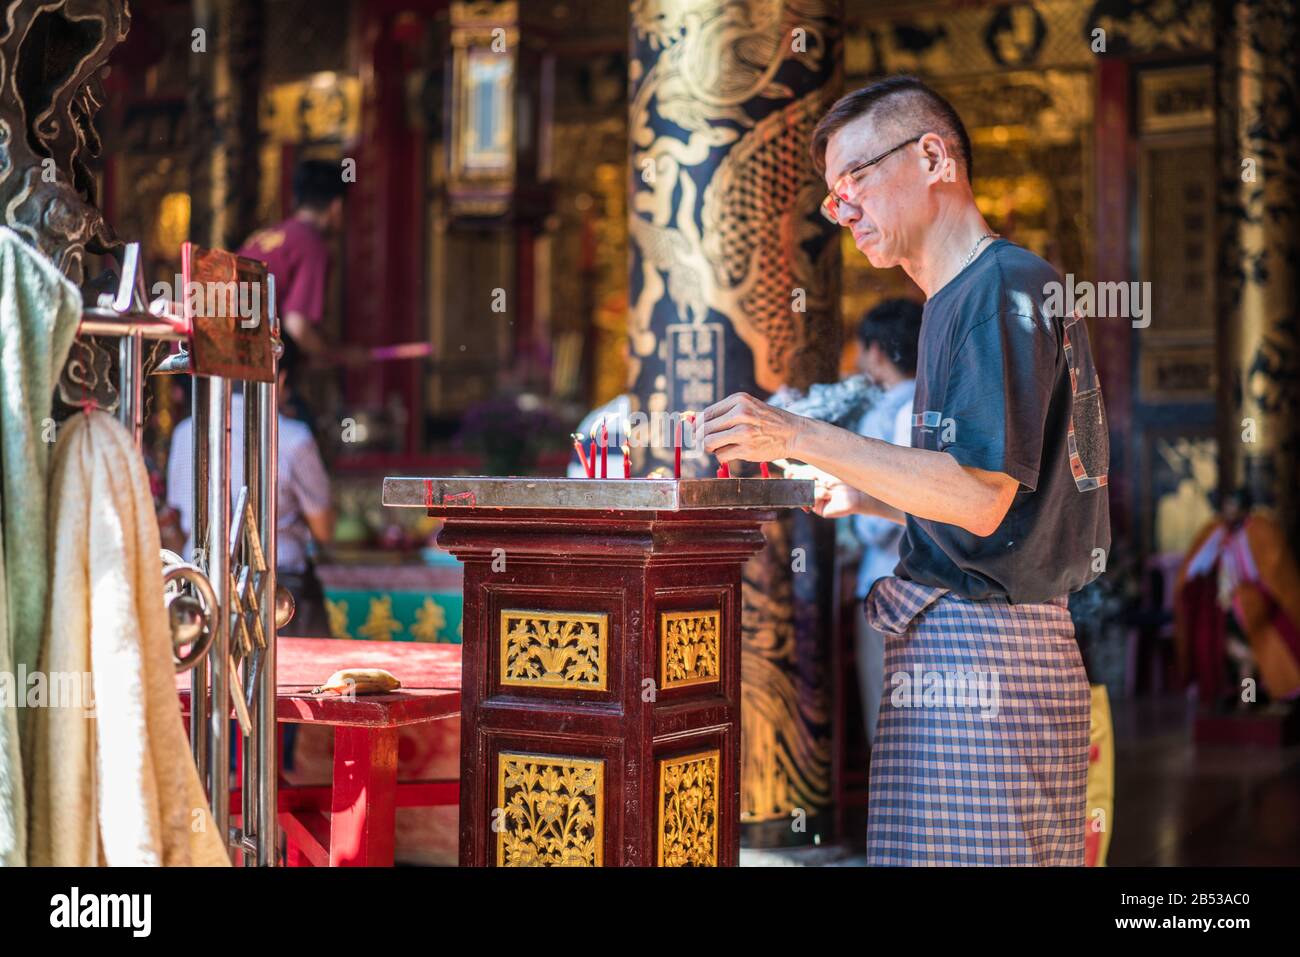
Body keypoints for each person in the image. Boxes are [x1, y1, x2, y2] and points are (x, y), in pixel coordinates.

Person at [697, 75, 1110, 866]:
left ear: (932, 156)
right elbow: (1002, 500)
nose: (842, 206)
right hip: (974, 647)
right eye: (832, 195)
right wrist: (871, 495)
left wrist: (799, 430)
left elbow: (981, 501)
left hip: (986, 655)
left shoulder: (999, 288)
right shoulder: (960, 298)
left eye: (854, 178)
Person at [166, 336, 335, 638]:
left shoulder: (184, 433)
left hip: (204, 590)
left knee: (209, 682)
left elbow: (176, 522)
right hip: (279, 590)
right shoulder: (294, 437)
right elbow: (324, 530)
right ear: (280, 378)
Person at [848, 298, 921, 748]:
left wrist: (854, 518)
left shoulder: (899, 410)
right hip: (911, 584)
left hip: (888, 584)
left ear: (876, 351)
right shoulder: (926, 400)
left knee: (888, 717)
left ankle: (896, 815)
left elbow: (891, 510)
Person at [238, 159, 346, 362]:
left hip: (195, 351)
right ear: (336, 207)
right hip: (236, 361)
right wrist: (339, 356)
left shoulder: (267, 235)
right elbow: (297, 327)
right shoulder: (311, 244)